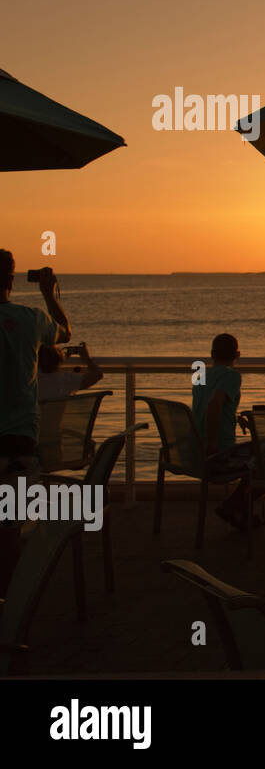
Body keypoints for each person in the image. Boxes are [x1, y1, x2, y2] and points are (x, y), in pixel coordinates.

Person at [0, 255, 70, 596]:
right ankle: (10, 607)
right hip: (18, 441)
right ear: (11, 280)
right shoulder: (31, 319)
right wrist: (48, 293)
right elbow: (65, 333)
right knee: (10, 526)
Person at [192, 333, 258, 529]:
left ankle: (239, 511)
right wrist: (212, 445)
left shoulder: (201, 375)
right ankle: (234, 505)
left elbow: (205, 406)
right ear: (237, 354)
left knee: (258, 455)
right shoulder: (232, 376)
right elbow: (214, 405)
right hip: (218, 455)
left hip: (195, 451)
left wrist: (234, 416)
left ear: (212, 354)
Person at [37, 341, 103, 401]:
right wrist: (87, 358)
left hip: (35, 414)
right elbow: (98, 374)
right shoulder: (66, 380)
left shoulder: (31, 381)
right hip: (59, 414)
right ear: (59, 360)